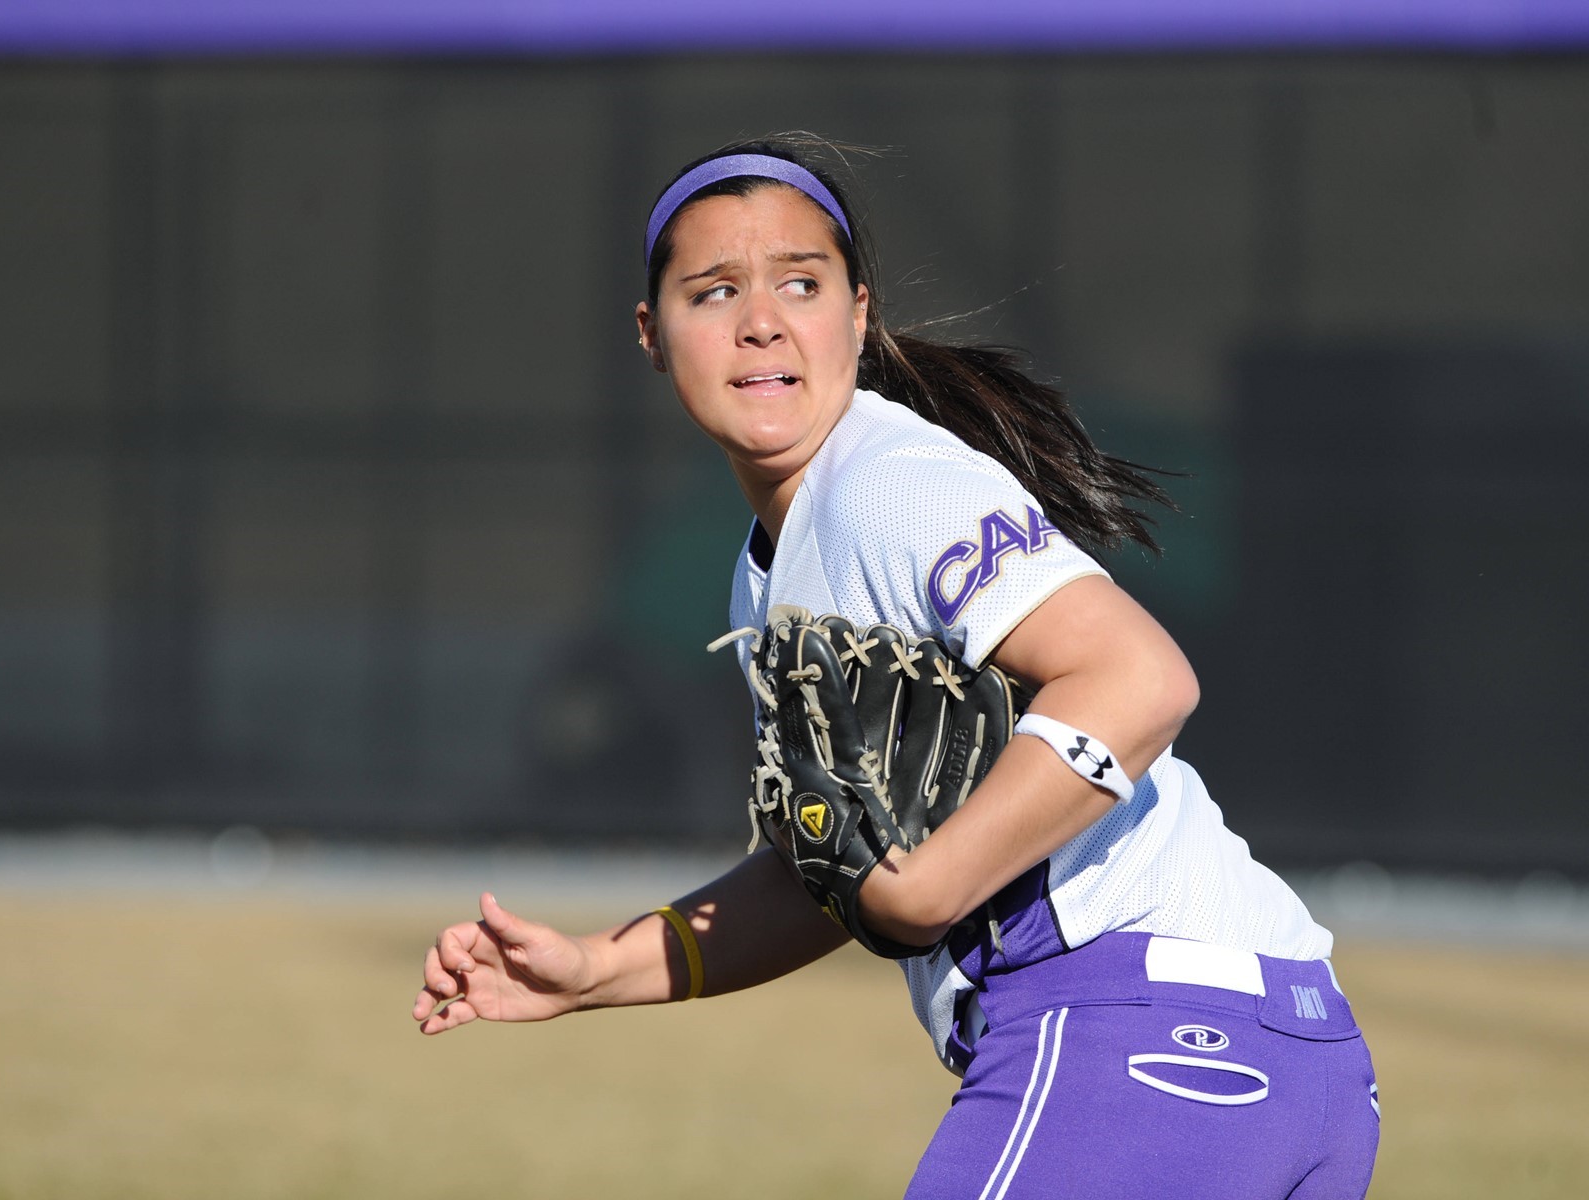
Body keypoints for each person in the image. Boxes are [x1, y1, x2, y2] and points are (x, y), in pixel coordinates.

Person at [413, 134, 1380, 1199]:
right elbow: (830, 875)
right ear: (652, 334)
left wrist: (925, 889)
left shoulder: (885, 486)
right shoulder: (775, 567)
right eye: (712, 290)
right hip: (1272, 1048)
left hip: (1134, 1031)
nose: (761, 318)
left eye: (800, 282)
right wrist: (596, 968)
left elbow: (1138, 680)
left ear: (857, 314)